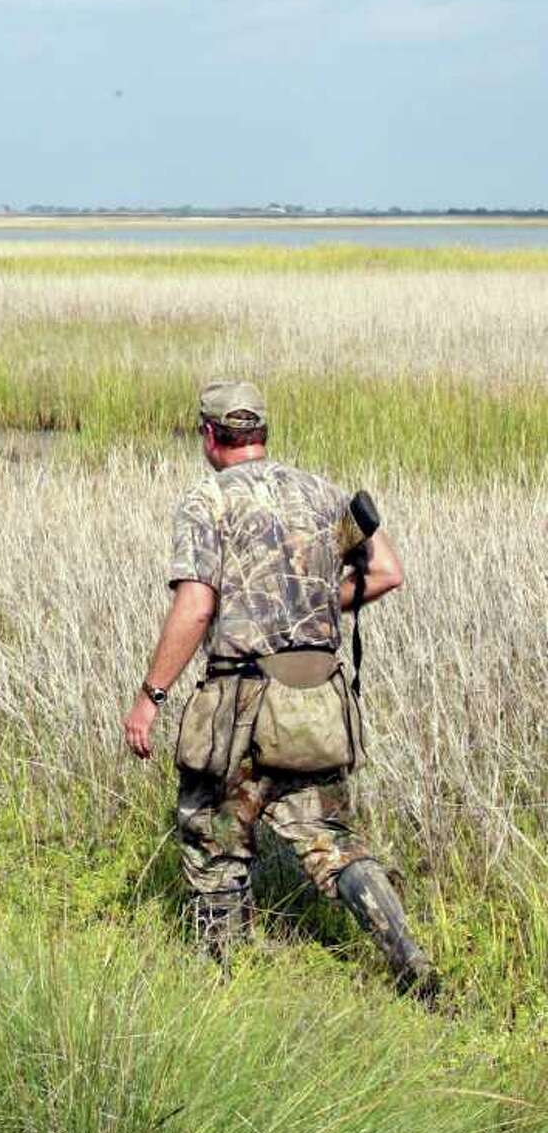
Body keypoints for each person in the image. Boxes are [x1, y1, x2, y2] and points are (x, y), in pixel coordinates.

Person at [122, 380, 438, 1002]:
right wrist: (320, 602)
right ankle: (409, 957)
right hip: (318, 699)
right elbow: (387, 574)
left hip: (240, 701)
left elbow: (196, 604)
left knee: (214, 835)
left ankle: (222, 983)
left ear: (211, 437)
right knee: (335, 843)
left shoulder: (208, 498)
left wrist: (150, 696)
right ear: (262, 434)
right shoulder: (323, 493)